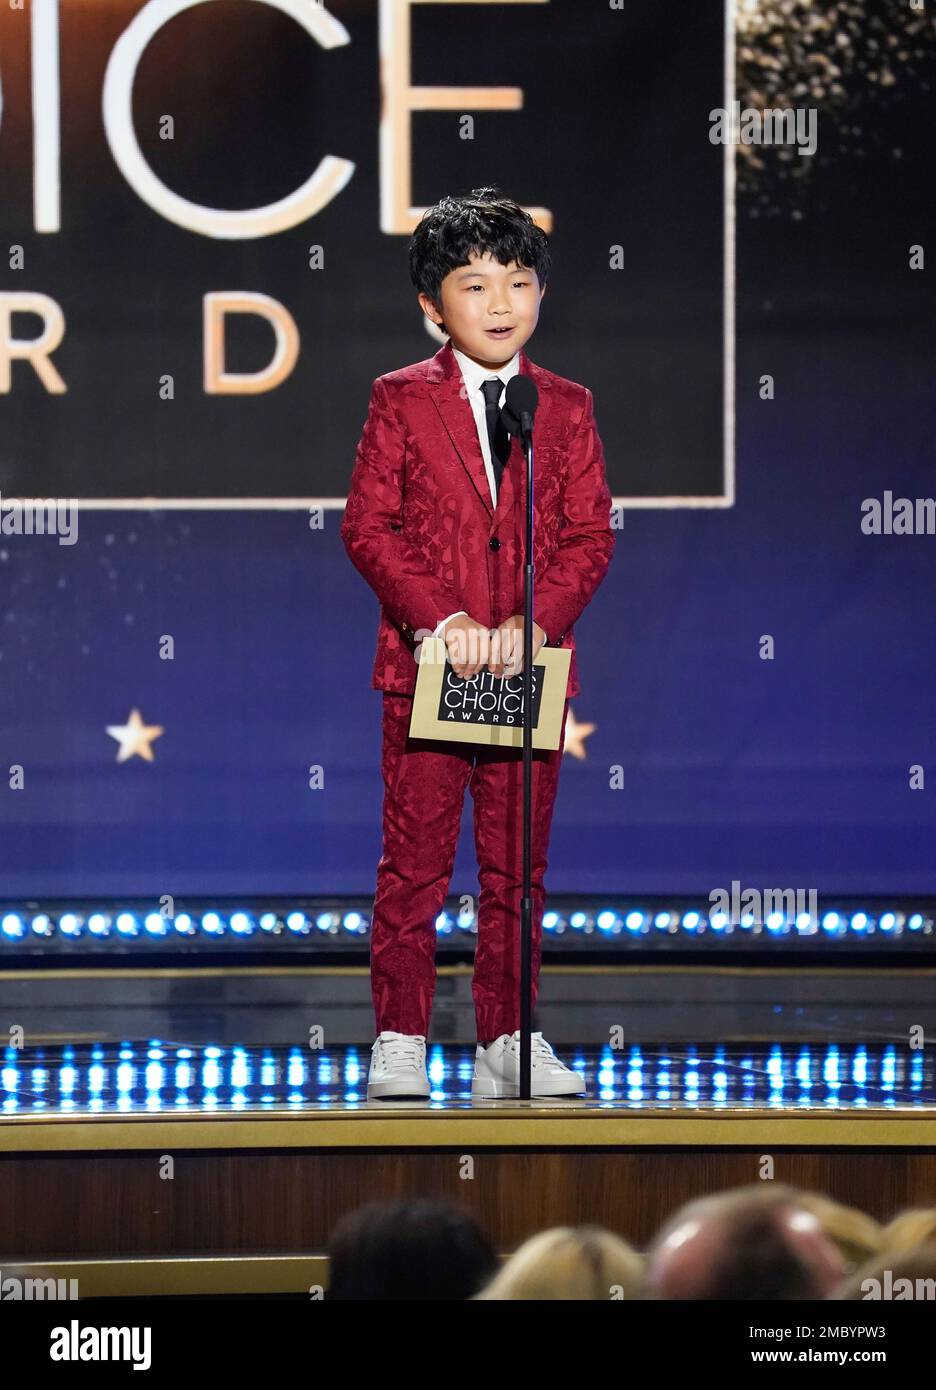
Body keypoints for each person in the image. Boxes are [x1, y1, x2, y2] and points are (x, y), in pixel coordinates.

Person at [340, 186, 615, 1101]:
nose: (501, 304)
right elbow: (368, 528)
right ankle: (401, 1035)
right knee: (414, 861)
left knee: (517, 866)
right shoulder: (400, 401)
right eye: (475, 284)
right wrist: (446, 621)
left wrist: (532, 625)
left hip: (527, 669)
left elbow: (589, 535)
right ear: (432, 304)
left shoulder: (565, 406)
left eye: (520, 282)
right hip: (431, 668)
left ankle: (510, 1033)